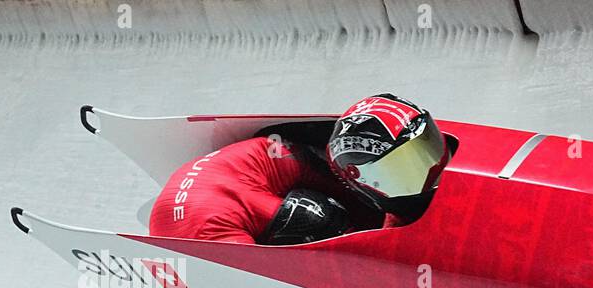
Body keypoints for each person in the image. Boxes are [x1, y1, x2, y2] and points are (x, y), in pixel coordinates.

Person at [148, 93, 451, 245]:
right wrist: (387, 235)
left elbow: (339, 181)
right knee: (313, 218)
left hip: (233, 175)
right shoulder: (216, 226)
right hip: (194, 229)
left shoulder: (275, 153)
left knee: (317, 199)